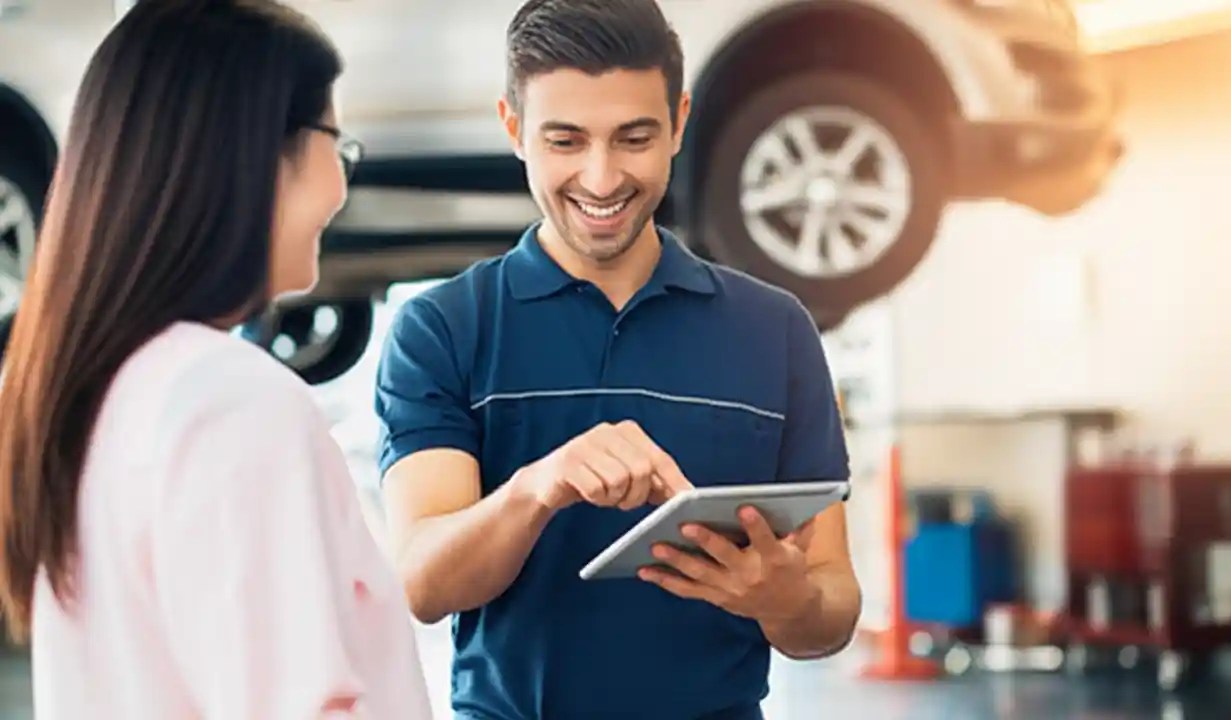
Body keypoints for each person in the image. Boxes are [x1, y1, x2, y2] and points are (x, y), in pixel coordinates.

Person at [375, 0, 862, 718]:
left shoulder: (776, 330)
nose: (601, 179)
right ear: (513, 128)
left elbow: (833, 604)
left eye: (634, 138)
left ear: (679, 122)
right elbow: (423, 584)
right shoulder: (444, 328)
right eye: (565, 141)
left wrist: (787, 602)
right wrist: (537, 489)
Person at [0, 1, 433, 717]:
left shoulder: (99, 395)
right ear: (256, 152)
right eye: (337, 143)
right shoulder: (234, 401)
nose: (341, 183)